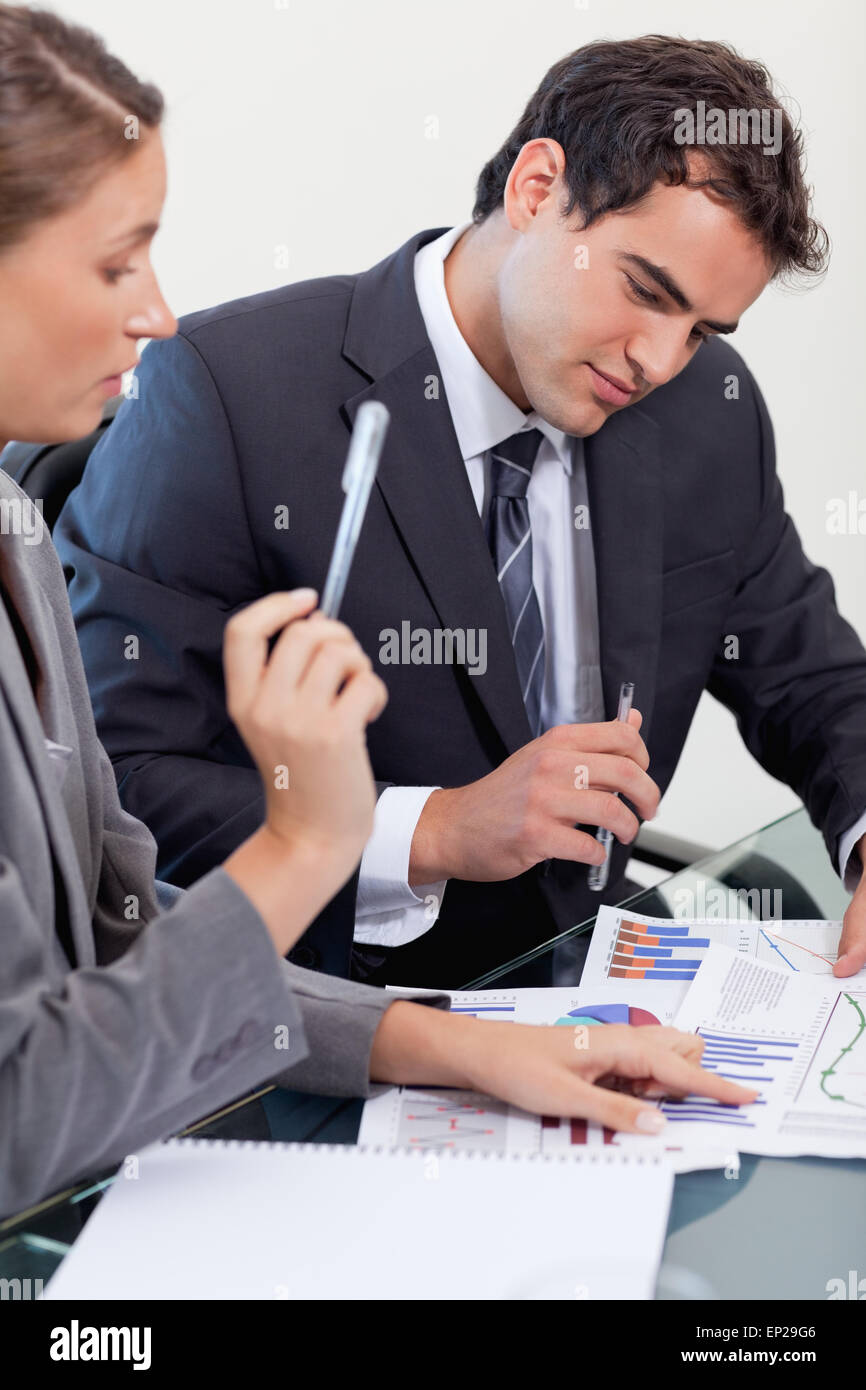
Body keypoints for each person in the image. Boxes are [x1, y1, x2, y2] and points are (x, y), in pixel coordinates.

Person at [0, 5, 752, 1219]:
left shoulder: (14, 534)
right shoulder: (224, 394)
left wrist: (450, 1046)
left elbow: (123, 921)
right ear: (535, 187)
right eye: (114, 260)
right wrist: (325, 835)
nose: (156, 310)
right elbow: (24, 1106)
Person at [54, 34, 866, 991]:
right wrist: (432, 829)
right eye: (646, 291)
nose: (658, 360)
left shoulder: (704, 415)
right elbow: (106, 788)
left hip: (590, 1006)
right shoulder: (229, 397)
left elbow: (812, 677)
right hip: (320, 1022)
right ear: (536, 188)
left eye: (699, 330)